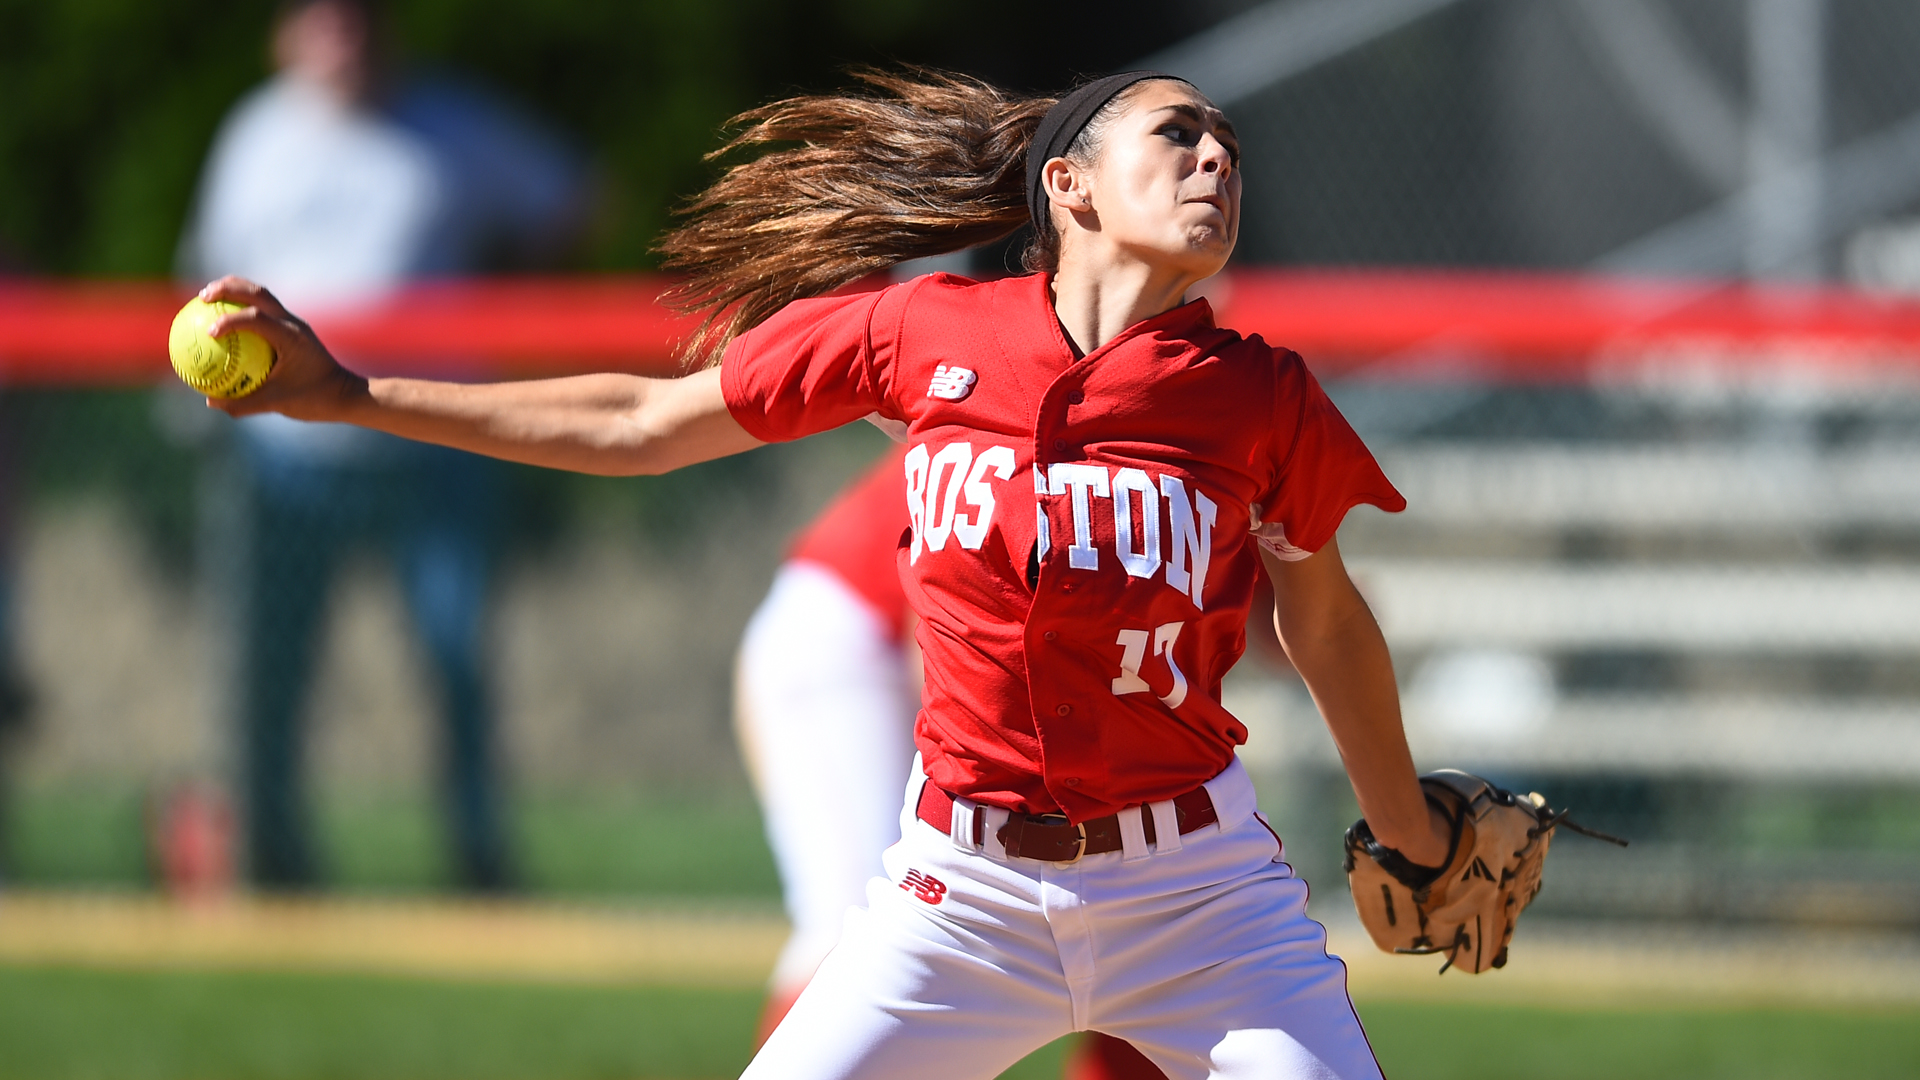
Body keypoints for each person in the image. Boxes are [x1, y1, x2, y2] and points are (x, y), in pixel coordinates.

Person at [193, 69, 1452, 1078]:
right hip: (960, 894)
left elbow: (1328, 627)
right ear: (1067, 185)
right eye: (1180, 135)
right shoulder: (927, 337)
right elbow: (642, 421)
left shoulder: (1261, 399)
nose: (1218, 159)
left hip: (1199, 902)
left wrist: (1411, 836)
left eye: (1228, 143)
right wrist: (351, 394)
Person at [176, 0, 585, 891]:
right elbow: (206, 272)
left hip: (428, 443)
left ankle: (480, 865)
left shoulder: (451, 121)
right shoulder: (253, 133)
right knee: (267, 677)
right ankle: (271, 864)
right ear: (285, 33)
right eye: (323, 19)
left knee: (457, 664)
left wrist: (512, 306)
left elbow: (572, 197)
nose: (343, 37)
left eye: (358, 18)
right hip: (285, 457)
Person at [738, 447, 1164, 1079]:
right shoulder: (1084, 418)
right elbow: (945, 608)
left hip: (913, 646)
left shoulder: (1203, 435)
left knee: (1149, 926)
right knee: (850, 925)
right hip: (850, 637)